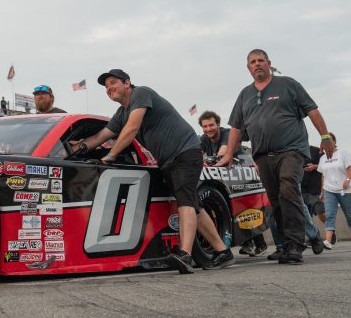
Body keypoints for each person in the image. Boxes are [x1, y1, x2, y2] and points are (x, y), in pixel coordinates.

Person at [70, 69, 232, 273]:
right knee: (193, 205)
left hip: (185, 151)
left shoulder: (141, 93)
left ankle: (185, 255)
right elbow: (100, 136)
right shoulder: (121, 114)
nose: (109, 88)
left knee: (185, 201)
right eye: (106, 87)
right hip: (167, 160)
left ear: (127, 83)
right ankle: (223, 251)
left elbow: (132, 129)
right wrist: (75, 148)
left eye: (113, 83)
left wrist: (110, 156)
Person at [219, 49, 334, 265]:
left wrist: (325, 136)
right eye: (253, 62)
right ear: (248, 67)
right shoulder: (244, 94)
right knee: (276, 201)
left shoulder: (288, 84)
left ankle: (294, 246)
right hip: (263, 156)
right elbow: (235, 127)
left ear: (269, 63)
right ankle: (288, 243)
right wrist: (227, 155)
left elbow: (312, 110)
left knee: (289, 190)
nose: (257, 64)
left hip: (291, 150)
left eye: (261, 60)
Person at [197, 110, 267, 257]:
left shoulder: (227, 133)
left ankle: (259, 243)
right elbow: (197, 154)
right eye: (205, 126)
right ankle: (250, 243)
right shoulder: (204, 139)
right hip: (227, 173)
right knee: (236, 208)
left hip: (243, 170)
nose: (208, 129)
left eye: (211, 125)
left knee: (246, 206)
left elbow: (223, 153)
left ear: (218, 124)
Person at [317, 133, 351, 250]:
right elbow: (323, 176)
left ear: (334, 141)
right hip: (329, 190)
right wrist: (322, 192)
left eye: (328, 141)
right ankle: (328, 241)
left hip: (345, 190)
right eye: (324, 142)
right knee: (330, 215)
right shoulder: (322, 158)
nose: (326, 143)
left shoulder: (343, 153)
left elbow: (349, 168)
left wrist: (347, 179)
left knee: (350, 217)